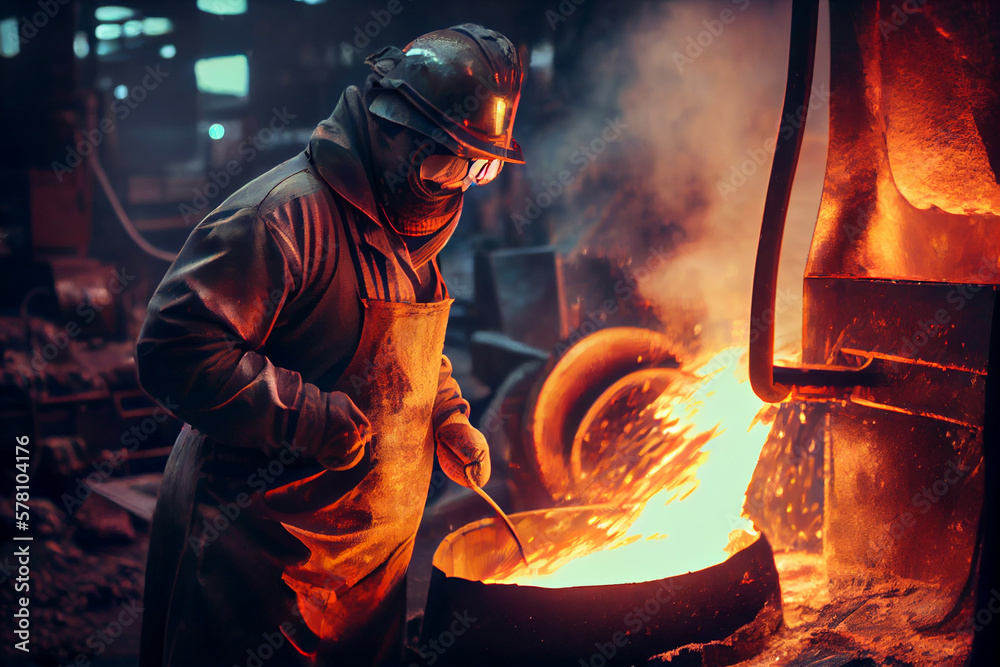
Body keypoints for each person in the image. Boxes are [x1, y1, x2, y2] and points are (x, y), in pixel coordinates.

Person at [135, 23, 524, 667]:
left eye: (477, 168)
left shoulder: (407, 226)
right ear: (392, 127)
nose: (457, 185)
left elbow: (398, 350)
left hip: (367, 572)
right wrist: (307, 417)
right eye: (447, 160)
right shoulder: (283, 219)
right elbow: (174, 351)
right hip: (263, 566)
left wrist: (443, 413)